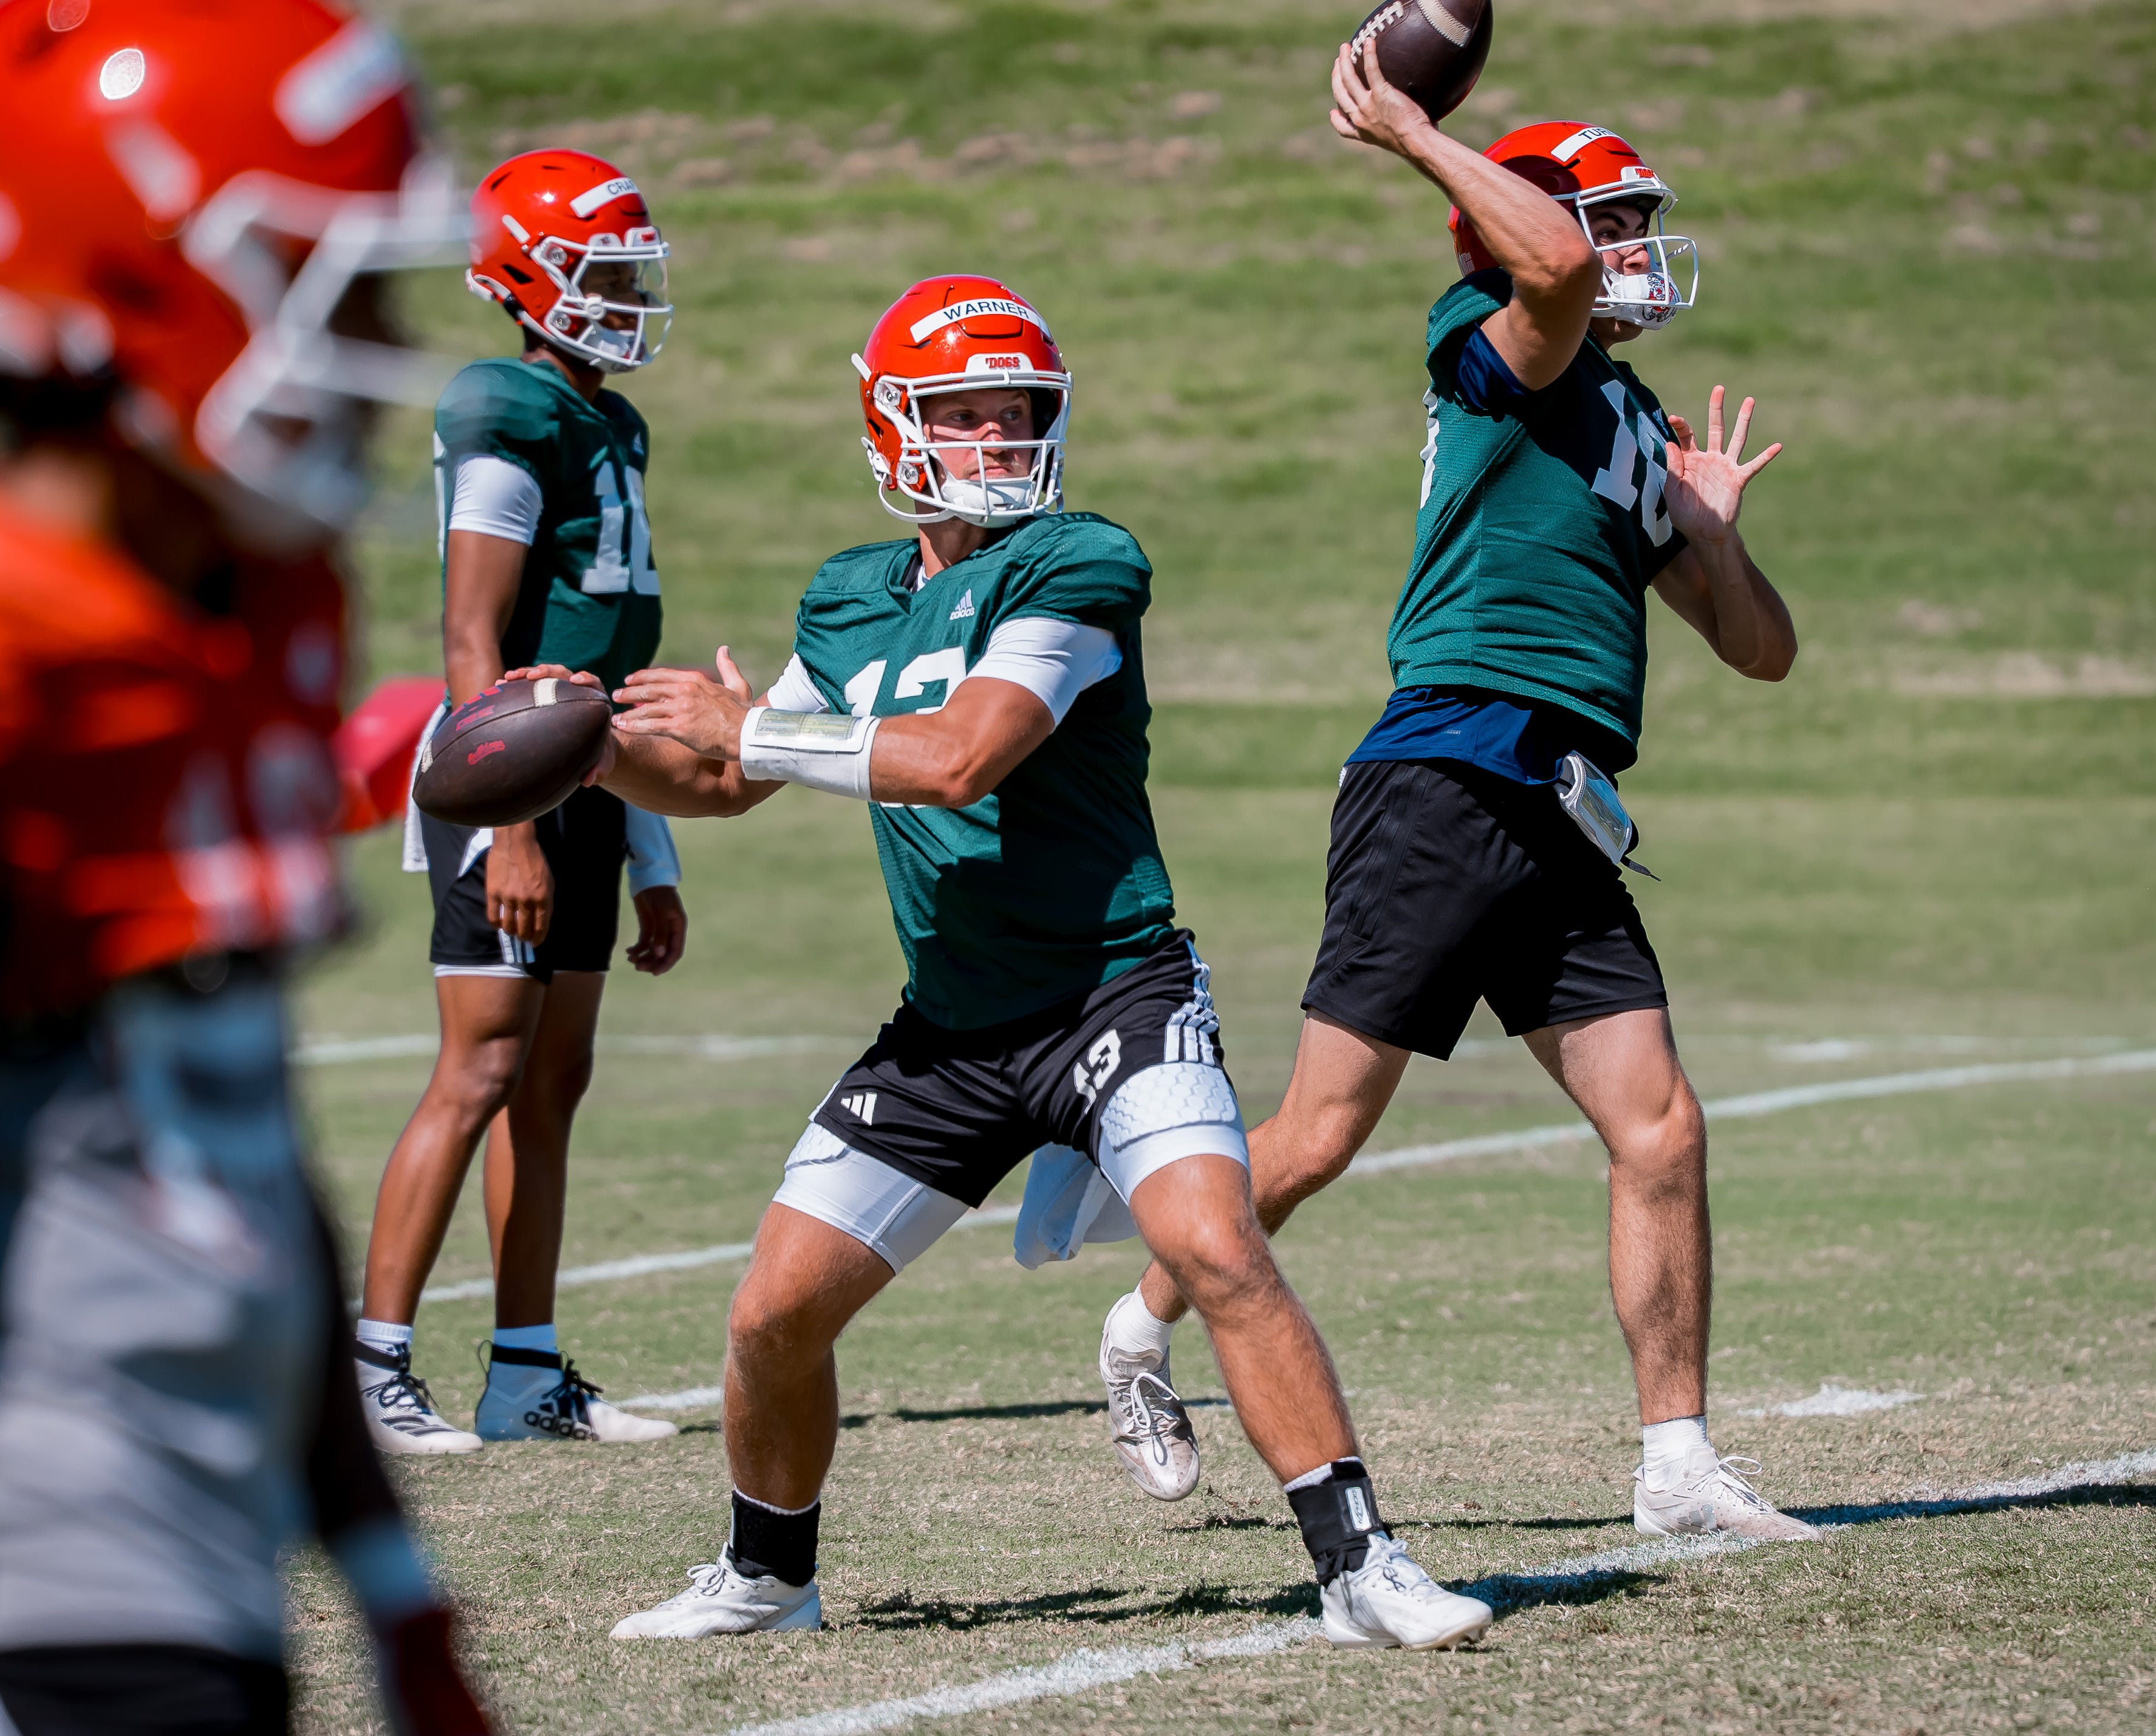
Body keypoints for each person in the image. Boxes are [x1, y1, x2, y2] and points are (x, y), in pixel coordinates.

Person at [516, 275, 1494, 1650]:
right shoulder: (853, 597)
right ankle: (766, 1575)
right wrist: (592, 750)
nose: (999, 437)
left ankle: (1361, 1563)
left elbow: (960, 754)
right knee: (769, 1318)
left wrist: (750, 729)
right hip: (952, 1028)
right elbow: (730, 783)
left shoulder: (1078, 559)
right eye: (965, 415)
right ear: (892, 427)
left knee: (1217, 1247)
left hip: (1115, 990)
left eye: (1018, 410)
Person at [1090, 46, 1816, 1545]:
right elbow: (1544, 265)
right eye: (1608, 222)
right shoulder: (1498, 333)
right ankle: (1140, 1319)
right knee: (1319, 1134)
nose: (1629, 249)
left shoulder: (1626, 413)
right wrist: (1419, 130)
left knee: (1661, 1129)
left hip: (1558, 799)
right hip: (1441, 774)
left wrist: (1717, 534)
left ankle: (1675, 1464)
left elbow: (1761, 655)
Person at [0, 2, 496, 1730]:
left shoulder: (255, 608)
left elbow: (227, 1137)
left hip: (185, 1568)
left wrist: (392, 1589)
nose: (378, 343)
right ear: (145, 279)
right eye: (329, 286)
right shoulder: (22, 654)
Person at [352, 149, 688, 1453]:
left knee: (555, 1078)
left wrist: (650, 847)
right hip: (502, 779)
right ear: (522, 278)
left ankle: (523, 1370)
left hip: (590, 774)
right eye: (597, 271)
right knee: (480, 1067)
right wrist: (509, 826)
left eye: (626, 270)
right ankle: (377, 1365)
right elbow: (469, 635)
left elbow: (605, 676)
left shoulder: (611, 418)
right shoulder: (503, 402)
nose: (621, 294)